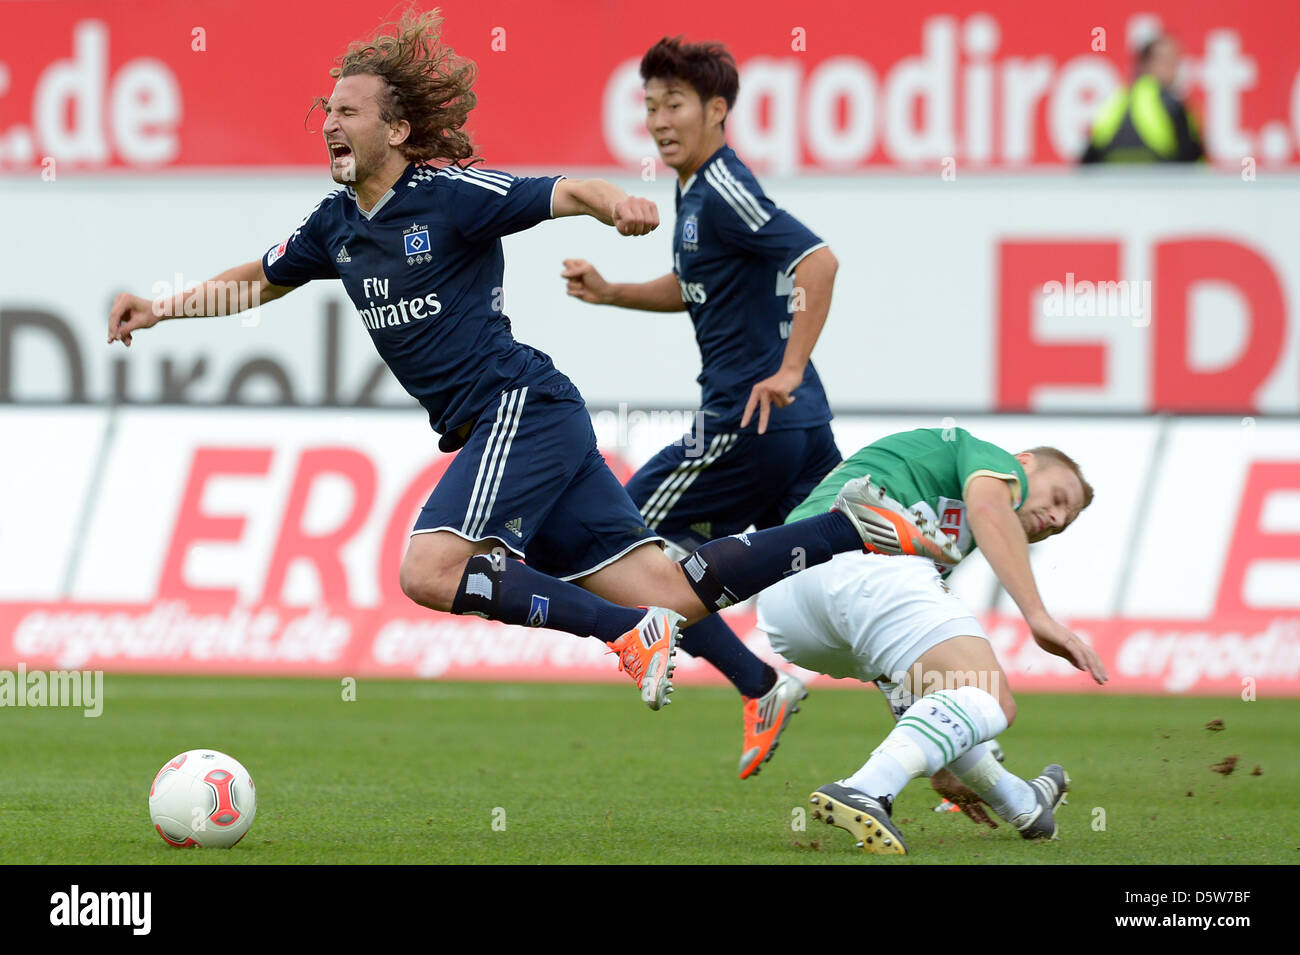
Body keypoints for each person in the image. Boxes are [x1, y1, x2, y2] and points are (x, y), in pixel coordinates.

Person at [107, 10, 960, 721]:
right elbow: (258, 278)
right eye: (325, 110)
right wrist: (163, 305)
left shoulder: (448, 196)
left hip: (521, 404)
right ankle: (851, 526)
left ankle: (626, 636)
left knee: (429, 569)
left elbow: (560, 190)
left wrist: (611, 203)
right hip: (517, 425)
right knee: (668, 589)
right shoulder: (334, 226)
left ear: (397, 130)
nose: (330, 122)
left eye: (350, 111)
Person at [561, 37, 840, 778]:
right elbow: (697, 286)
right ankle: (963, 747)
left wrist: (787, 366)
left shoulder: (724, 186)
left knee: (612, 540)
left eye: (674, 104)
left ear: (718, 110)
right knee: (847, 588)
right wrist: (613, 290)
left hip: (743, 425)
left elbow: (817, 259)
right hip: (796, 427)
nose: (657, 120)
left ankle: (760, 682)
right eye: (649, 105)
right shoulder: (696, 192)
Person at [755, 427, 1108, 854]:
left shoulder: (943, 523)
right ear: (1025, 462)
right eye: (1057, 499)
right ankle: (868, 788)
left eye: (1063, 524)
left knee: (954, 700)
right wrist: (1037, 615)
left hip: (786, 598)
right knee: (990, 697)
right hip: (858, 558)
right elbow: (988, 507)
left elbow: (895, 665)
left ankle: (1022, 803)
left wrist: (940, 761)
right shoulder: (986, 459)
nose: (1056, 518)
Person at [1081, 32, 1204, 164]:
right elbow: (1192, 164)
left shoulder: (1113, 104)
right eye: (1167, 60)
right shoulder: (1173, 105)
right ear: (1146, 63)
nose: (1175, 67)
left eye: (1176, 60)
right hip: (1160, 183)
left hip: (1115, 184)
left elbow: (1087, 164)